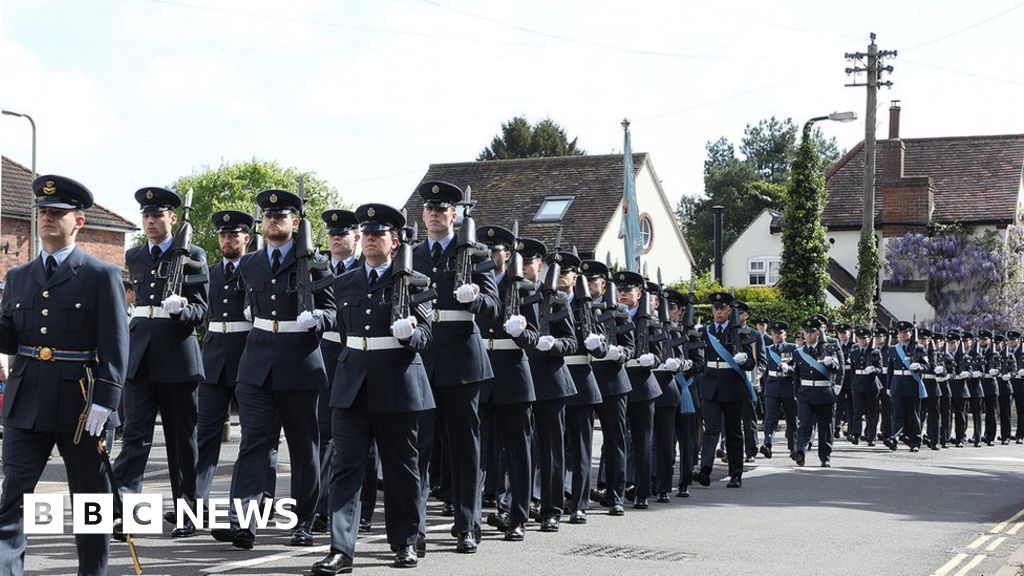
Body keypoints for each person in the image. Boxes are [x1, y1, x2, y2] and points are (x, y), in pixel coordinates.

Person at [0, 175, 129, 575]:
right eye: (42, 212)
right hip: (27, 400)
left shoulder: (100, 275)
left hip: (81, 403)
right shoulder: (18, 277)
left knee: (90, 501)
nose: (47, 219)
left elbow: (114, 343)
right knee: (12, 501)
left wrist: (106, 401)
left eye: (57, 213)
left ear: (79, 222)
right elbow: (8, 337)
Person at [311, 203, 434, 574]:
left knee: (400, 469)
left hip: (396, 383)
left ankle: (405, 541)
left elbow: (427, 336)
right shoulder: (344, 282)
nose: (369, 240)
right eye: (365, 234)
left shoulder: (415, 280)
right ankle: (341, 549)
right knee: (346, 468)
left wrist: (411, 334)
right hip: (351, 384)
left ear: (394, 242)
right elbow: (344, 334)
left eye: (378, 235)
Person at [227, 188, 336, 549]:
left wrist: (318, 318)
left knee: (304, 448)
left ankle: (303, 521)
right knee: (255, 442)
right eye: (269, 216)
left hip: (300, 363)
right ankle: (244, 520)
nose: (273, 220)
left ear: (295, 222)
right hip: (257, 364)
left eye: (282, 215)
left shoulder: (315, 261)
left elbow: (334, 312)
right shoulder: (249, 263)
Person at [114, 186, 208, 538]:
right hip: (140, 357)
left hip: (177, 358)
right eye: (146, 216)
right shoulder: (135, 255)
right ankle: (126, 514)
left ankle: (187, 513)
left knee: (181, 441)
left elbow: (202, 310)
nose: (151, 221)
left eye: (158, 215)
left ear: (172, 218)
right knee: (135, 438)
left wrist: (183, 309)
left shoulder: (193, 253)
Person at [412, 181, 499, 554]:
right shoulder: (411, 256)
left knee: (466, 450)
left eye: (441, 209)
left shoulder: (476, 253)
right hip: (421, 359)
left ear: (454, 214)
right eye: (429, 209)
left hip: (462, 359)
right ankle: (413, 530)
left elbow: (495, 306)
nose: (434, 214)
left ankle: (467, 525)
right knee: (416, 451)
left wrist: (477, 297)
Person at [198, 211, 278, 543]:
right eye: (223, 236)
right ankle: (197, 502)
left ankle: (264, 501)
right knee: (206, 433)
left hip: (249, 352)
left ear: (247, 238)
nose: (228, 241)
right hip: (216, 355)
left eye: (234, 235)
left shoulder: (257, 269)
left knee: (259, 435)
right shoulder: (209, 273)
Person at [475, 226, 536, 541]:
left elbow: (536, 337)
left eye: (495, 249)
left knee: (517, 452)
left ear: (507, 255)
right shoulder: (473, 287)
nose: (489, 255)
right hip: (481, 374)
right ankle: (473, 517)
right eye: (484, 249)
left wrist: (521, 332)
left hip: (512, 375)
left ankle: (518, 516)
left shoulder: (523, 288)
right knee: (479, 452)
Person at [313, 209, 371, 534]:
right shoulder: (318, 269)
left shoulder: (367, 269)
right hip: (325, 351)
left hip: (357, 354)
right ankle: (324, 506)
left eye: (343, 233)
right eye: (332, 234)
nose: (336, 238)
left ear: (356, 238)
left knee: (362, 437)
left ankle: (361, 510)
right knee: (325, 432)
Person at [581, 260, 633, 515]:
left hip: (611, 380)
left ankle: (615, 495)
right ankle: (575, 495)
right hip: (582, 379)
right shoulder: (574, 306)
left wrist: (616, 352)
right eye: (586, 280)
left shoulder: (617, 310)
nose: (589, 284)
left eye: (593, 280)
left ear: (603, 282)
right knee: (578, 443)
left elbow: (631, 347)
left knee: (614, 442)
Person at [695, 292, 755, 488]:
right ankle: (705, 469)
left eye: (722, 308)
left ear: (730, 310)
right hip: (711, 384)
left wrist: (745, 360)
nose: (719, 312)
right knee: (711, 429)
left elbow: (751, 361)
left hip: (732, 385)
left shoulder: (740, 332)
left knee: (733, 431)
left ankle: (735, 474)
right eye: (716, 308)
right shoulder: (705, 331)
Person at [615, 271, 661, 506]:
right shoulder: (612, 317)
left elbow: (662, 355)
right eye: (620, 290)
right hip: (618, 382)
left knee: (643, 441)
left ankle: (642, 492)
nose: (622, 294)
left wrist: (652, 359)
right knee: (617, 440)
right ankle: (617, 489)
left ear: (639, 294)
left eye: (628, 291)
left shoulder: (649, 321)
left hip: (642, 385)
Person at [790, 317, 843, 467]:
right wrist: (796, 393)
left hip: (824, 392)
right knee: (804, 424)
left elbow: (837, 368)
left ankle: (825, 457)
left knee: (825, 427)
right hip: (805, 392)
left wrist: (831, 363)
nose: (808, 335)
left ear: (818, 333)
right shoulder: (799, 352)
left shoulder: (828, 347)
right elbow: (796, 375)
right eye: (805, 332)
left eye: (811, 332)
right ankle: (800, 452)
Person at [884, 321, 929, 452]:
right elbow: (890, 370)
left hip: (912, 384)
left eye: (906, 332)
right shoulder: (893, 349)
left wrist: (920, 366)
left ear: (911, 333)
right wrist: (888, 387)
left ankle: (915, 441)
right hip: (897, 384)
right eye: (901, 332)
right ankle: (895, 438)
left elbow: (927, 366)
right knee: (897, 413)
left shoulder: (918, 348)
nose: (903, 335)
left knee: (914, 414)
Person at [760, 321, 798, 458]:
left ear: (785, 334)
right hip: (772, 386)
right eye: (774, 333)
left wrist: (790, 369)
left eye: (779, 333)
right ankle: (768, 444)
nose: (777, 335)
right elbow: (762, 368)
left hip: (788, 386)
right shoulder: (768, 349)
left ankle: (794, 448)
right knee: (770, 418)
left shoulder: (793, 349)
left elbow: (798, 370)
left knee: (792, 418)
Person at [847, 327, 883, 446]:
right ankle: (856, 434)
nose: (862, 340)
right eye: (860, 338)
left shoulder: (875, 352)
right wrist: (853, 384)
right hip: (858, 384)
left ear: (869, 339)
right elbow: (852, 371)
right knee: (857, 411)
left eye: (865, 338)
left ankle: (871, 437)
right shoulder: (854, 352)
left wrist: (873, 369)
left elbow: (880, 369)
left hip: (871, 384)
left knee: (871, 413)